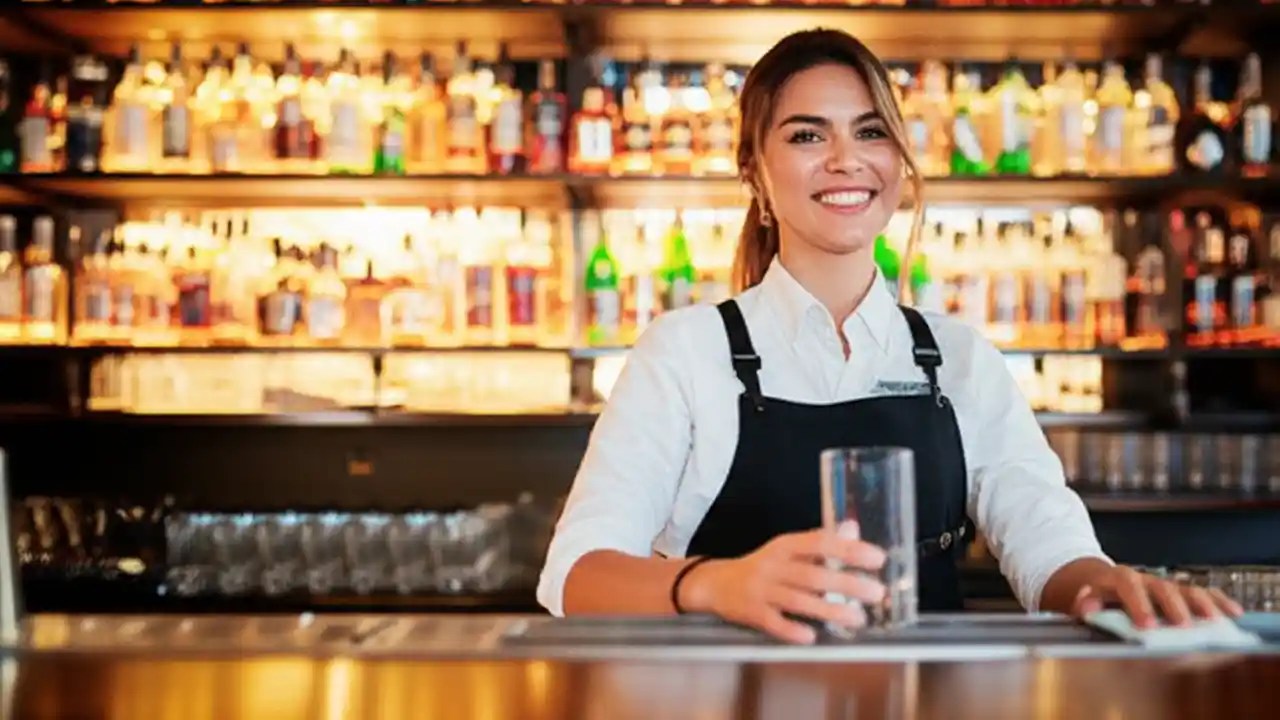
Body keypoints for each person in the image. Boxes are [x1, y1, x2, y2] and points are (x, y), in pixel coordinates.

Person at [537, 28, 1242, 644]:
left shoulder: (960, 358)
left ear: (900, 164)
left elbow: (1048, 545)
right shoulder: (686, 351)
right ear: (755, 173)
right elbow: (575, 576)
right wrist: (716, 586)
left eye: (871, 131)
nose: (846, 159)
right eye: (808, 135)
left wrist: (1104, 587)